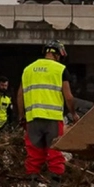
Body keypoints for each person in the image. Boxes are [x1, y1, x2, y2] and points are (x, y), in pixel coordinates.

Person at [19, 44, 70, 177]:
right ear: (58, 54)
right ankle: (55, 186)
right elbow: (68, 96)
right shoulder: (60, 69)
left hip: (32, 118)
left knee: (34, 153)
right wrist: (74, 113)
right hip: (53, 119)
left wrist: (21, 116)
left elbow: (20, 95)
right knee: (55, 151)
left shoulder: (28, 70)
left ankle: (33, 186)